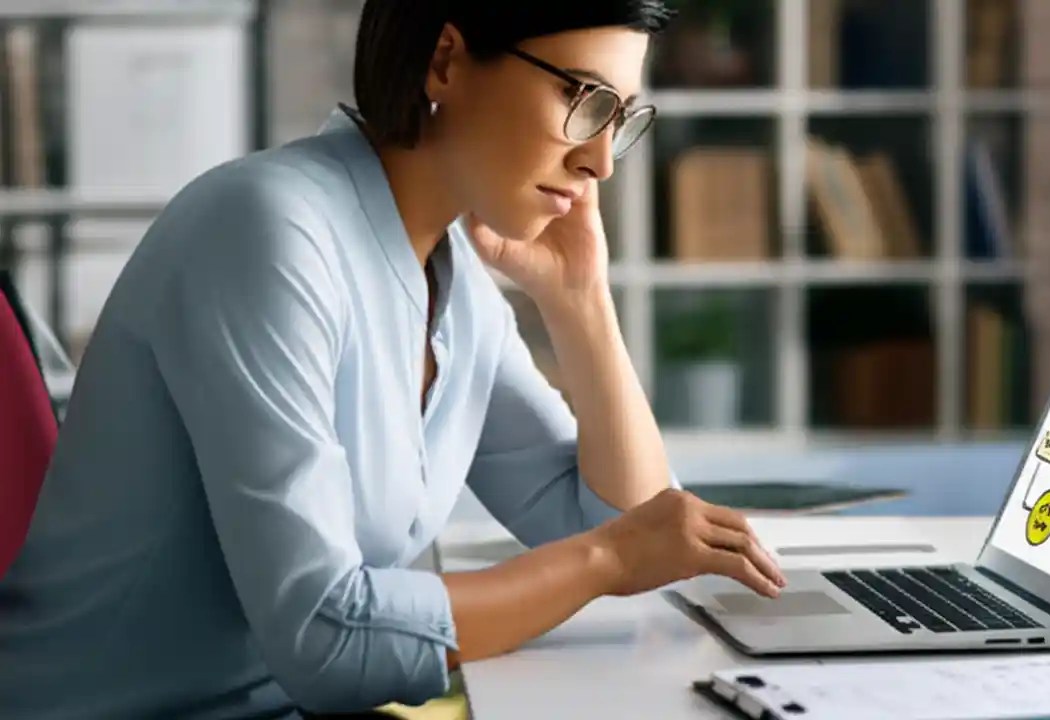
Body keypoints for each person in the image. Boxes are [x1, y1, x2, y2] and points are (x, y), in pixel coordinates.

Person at [0, 1, 788, 717]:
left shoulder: (451, 278)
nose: (601, 163)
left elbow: (638, 531)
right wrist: (610, 557)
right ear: (445, 59)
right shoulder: (268, 234)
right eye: (582, 100)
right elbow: (326, 641)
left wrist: (581, 302)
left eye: (621, 118)